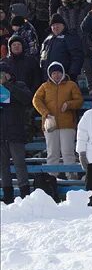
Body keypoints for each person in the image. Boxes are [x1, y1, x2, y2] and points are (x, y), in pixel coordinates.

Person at [32, 62, 83, 170]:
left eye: (59, 72)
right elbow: (36, 100)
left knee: (68, 152)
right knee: (52, 153)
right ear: (50, 74)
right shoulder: (44, 86)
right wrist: (45, 113)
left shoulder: (71, 85)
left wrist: (68, 104)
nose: (56, 75)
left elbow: (79, 101)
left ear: (63, 73)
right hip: (50, 124)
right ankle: (52, 177)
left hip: (67, 124)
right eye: (54, 73)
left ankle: (71, 176)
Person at [0, 60, 32, 202]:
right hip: (1, 134)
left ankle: (25, 194)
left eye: (3, 73)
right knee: (3, 166)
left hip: (16, 132)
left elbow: (26, 99)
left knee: (19, 164)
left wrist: (7, 85)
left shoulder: (19, 85)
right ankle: (7, 195)